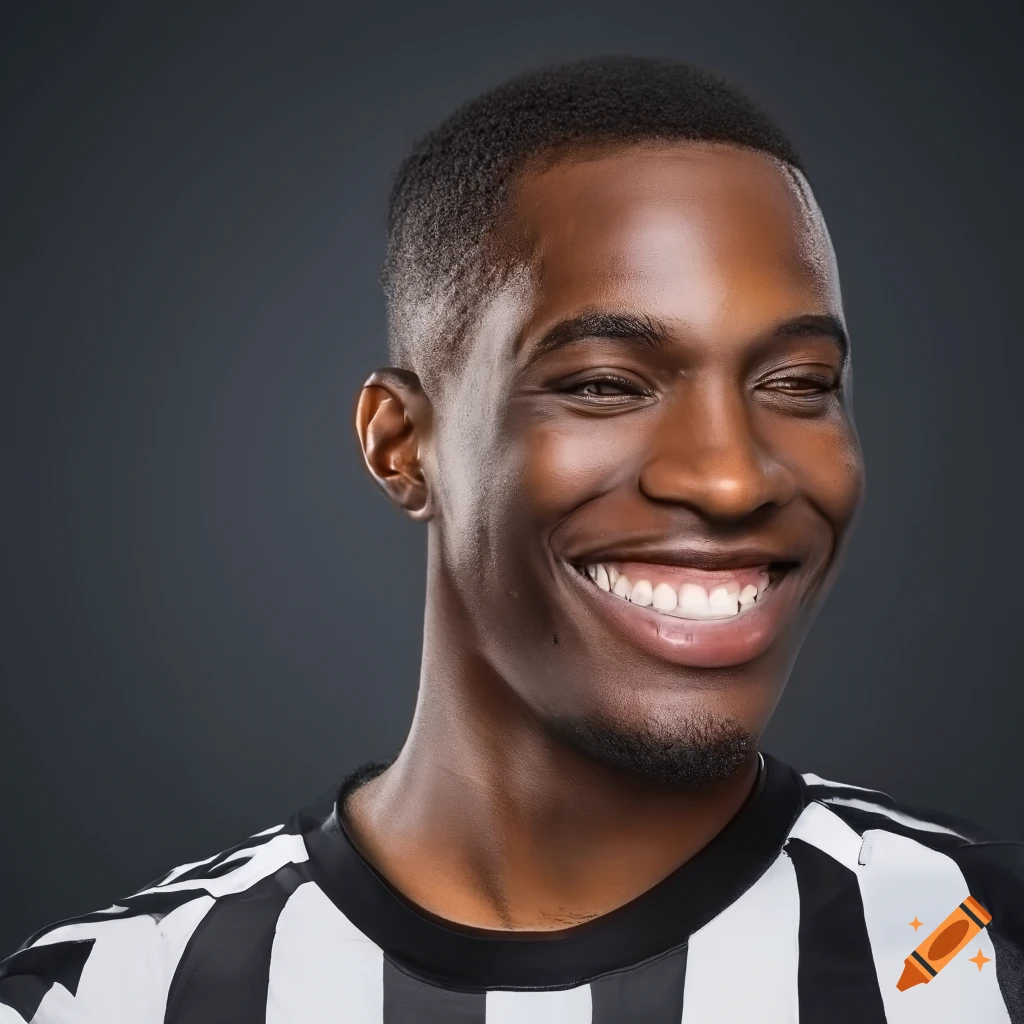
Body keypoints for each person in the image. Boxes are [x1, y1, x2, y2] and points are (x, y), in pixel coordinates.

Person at [2, 55, 1022, 1024]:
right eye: (602, 384)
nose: (727, 475)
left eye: (796, 385)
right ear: (402, 445)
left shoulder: (983, 954)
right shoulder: (106, 999)